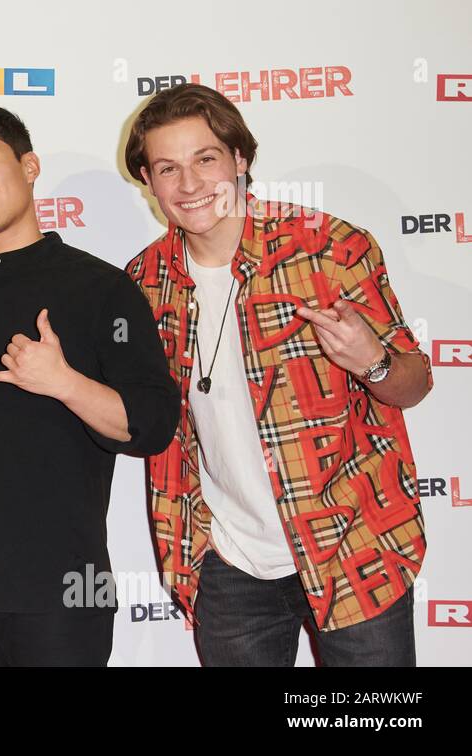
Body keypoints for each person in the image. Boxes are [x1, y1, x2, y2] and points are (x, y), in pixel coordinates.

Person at [123, 83, 431, 666]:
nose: (188, 185)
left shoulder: (330, 249)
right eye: (168, 168)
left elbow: (413, 384)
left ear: (240, 161)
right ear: (148, 180)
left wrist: (372, 361)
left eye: (205, 159)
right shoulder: (144, 283)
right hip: (230, 565)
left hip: (351, 542)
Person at [0, 102, 179, 666]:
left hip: (66, 593)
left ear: (30, 166)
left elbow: (152, 426)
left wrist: (64, 383)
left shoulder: (101, 290)